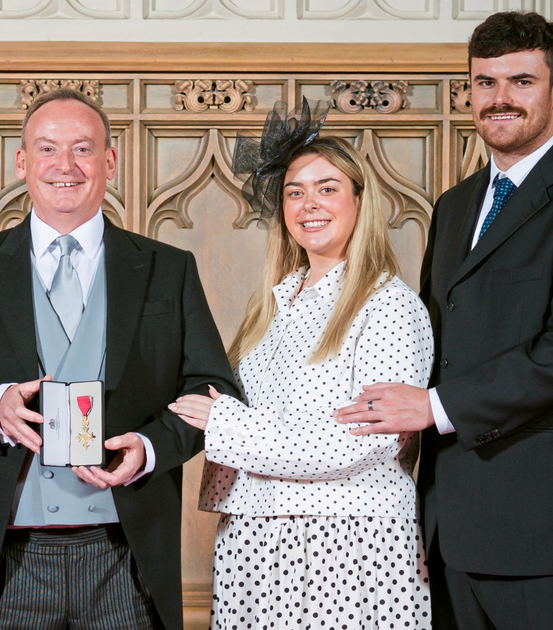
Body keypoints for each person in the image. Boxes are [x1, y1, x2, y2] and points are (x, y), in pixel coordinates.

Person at [333, 12, 553, 629]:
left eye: (521, 82)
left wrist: (435, 407)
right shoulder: (455, 206)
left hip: (551, 529)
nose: (499, 98)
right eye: (485, 82)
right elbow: (435, 346)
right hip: (450, 525)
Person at [0, 88, 237, 630]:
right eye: (47, 149)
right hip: (11, 560)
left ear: (109, 161)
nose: (65, 165)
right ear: (22, 162)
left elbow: (212, 390)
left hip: (129, 555)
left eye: (83, 149)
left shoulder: (168, 268)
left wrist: (151, 447)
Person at [169, 99, 434, 629]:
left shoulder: (388, 304)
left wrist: (227, 424)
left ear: (360, 200)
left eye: (327, 188)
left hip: (348, 540)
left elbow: (367, 440)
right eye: (294, 192)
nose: (308, 204)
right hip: (254, 535)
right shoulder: (273, 305)